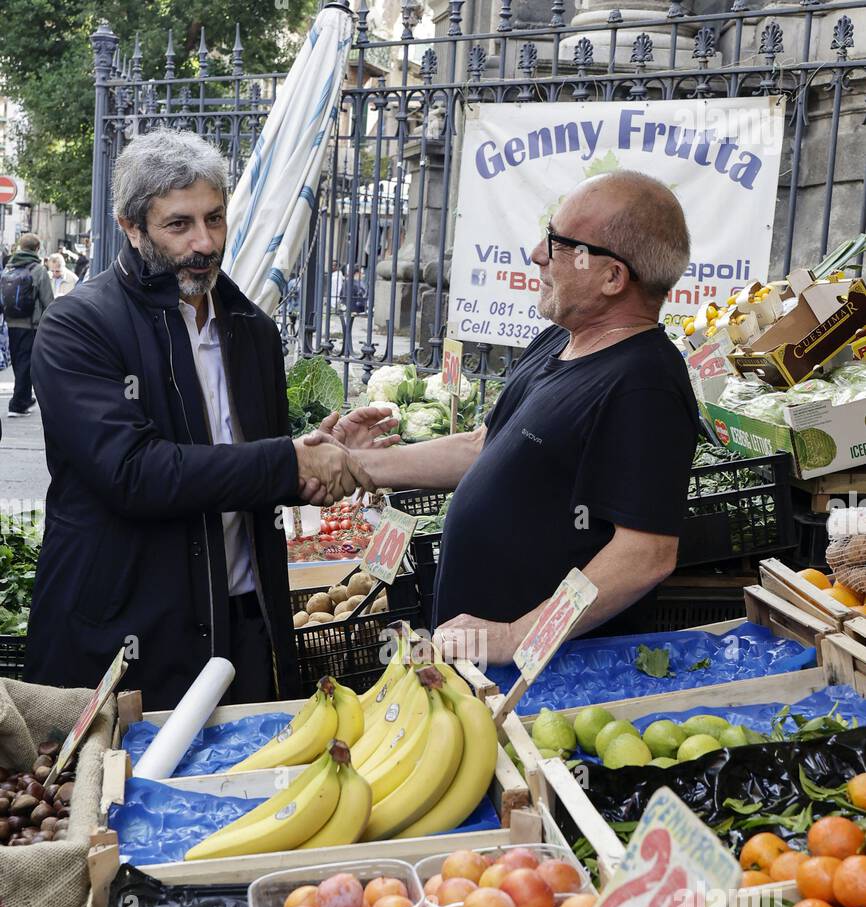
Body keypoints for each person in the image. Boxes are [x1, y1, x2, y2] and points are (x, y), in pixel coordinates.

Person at [25, 130, 383, 707]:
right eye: (179, 225)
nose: (204, 242)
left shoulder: (252, 329)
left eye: (214, 219)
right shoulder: (78, 327)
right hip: (127, 632)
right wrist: (286, 460)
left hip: (244, 623)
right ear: (131, 227)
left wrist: (317, 458)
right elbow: (135, 474)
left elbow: (246, 470)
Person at [344, 171, 700, 666]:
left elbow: (646, 554)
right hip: (479, 661)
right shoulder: (559, 340)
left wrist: (519, 637)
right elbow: (481, 447)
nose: (536, 254)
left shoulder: (645, 384)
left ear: (613, 277)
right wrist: (357, 465)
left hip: (552, 680)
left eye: (558, 243)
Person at [1, 233, 53, 417]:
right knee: (26, 362)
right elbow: (48, 300)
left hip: (11, 322)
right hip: (31, 325)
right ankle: (17, 404)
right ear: (37, 248)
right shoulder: (38, 269)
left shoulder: (9, 266)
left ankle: (23, 397)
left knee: (17, 361)